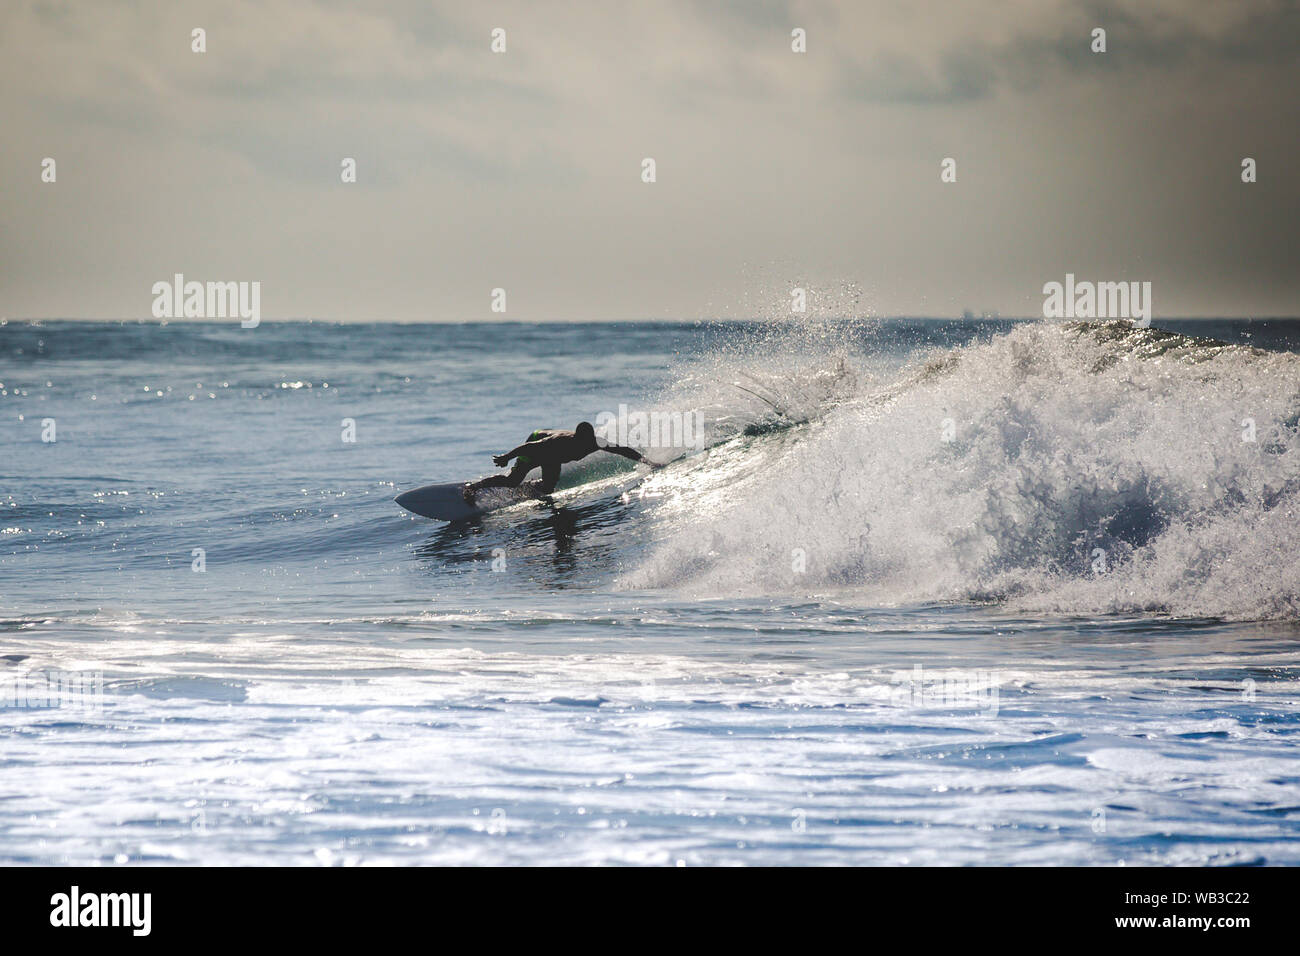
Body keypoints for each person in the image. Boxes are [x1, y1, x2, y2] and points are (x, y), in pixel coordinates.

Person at [465, 421, 654, 500]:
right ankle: (473, 487)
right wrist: (506, 457)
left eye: (589, 441)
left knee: (548, 489)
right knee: (512, 480)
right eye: (582, 442)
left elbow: (622, 450)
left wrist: (646, 461)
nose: (585, 445)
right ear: (576, 438)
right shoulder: (560, 442)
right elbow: (529, 448)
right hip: (537, 441)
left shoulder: (595, 442)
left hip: (552, 458)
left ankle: (526, 489)